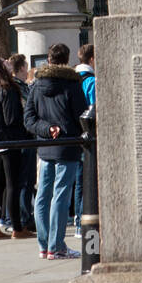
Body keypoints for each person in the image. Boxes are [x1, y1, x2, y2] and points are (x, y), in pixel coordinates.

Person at [25, 43, 87, 261]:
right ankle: (57, 245)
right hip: (67, 145)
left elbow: (29, 119)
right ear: (67, 59)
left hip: (45, 146)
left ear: (48, 60)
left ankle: (44, 245)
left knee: (43, 195)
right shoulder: (72, 84)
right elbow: (82, 116)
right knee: (60, 195)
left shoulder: (36, 85)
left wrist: (47, 129)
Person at [0, 58, 33, 241]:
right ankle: (17, 227)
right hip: (9, 141)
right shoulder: (8, 89)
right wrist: (26, 130)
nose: (9, 62)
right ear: (3, 70)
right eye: (5, 63)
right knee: (13, 185)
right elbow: (12, 119)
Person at [9, 53, 36, 231]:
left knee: (26, 180)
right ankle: (25, 217)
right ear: (21, 69)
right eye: (25, 67)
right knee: (25, 181)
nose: (27, 71)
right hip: (24, 138)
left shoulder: (21, 87)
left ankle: (25, 215)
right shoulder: (18, 88)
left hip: (25, 138)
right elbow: (26, 110)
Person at [71, 44, 96, 237]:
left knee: (78, 180)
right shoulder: (91, 81)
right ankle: (83, 221)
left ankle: (78, 221)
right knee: (87, 180)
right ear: (92, 59)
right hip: (88, 134)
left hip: (73, 132)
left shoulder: (72, 80)